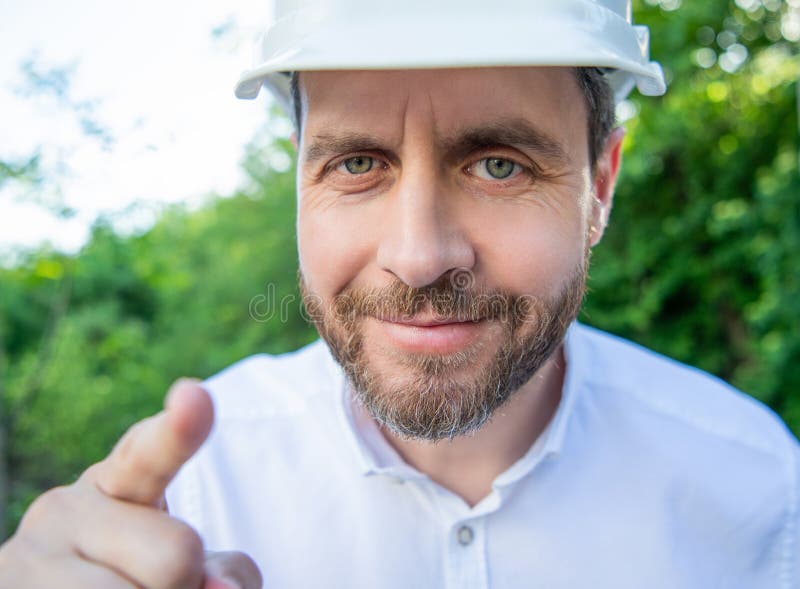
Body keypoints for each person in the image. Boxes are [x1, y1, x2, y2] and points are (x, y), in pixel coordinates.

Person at [1, 1, 798, 587]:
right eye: (356, 164)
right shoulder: (191, 498)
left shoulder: (758, 495)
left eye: (498, 164)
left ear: (601, 184)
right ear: (300, 178)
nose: (418, 258)